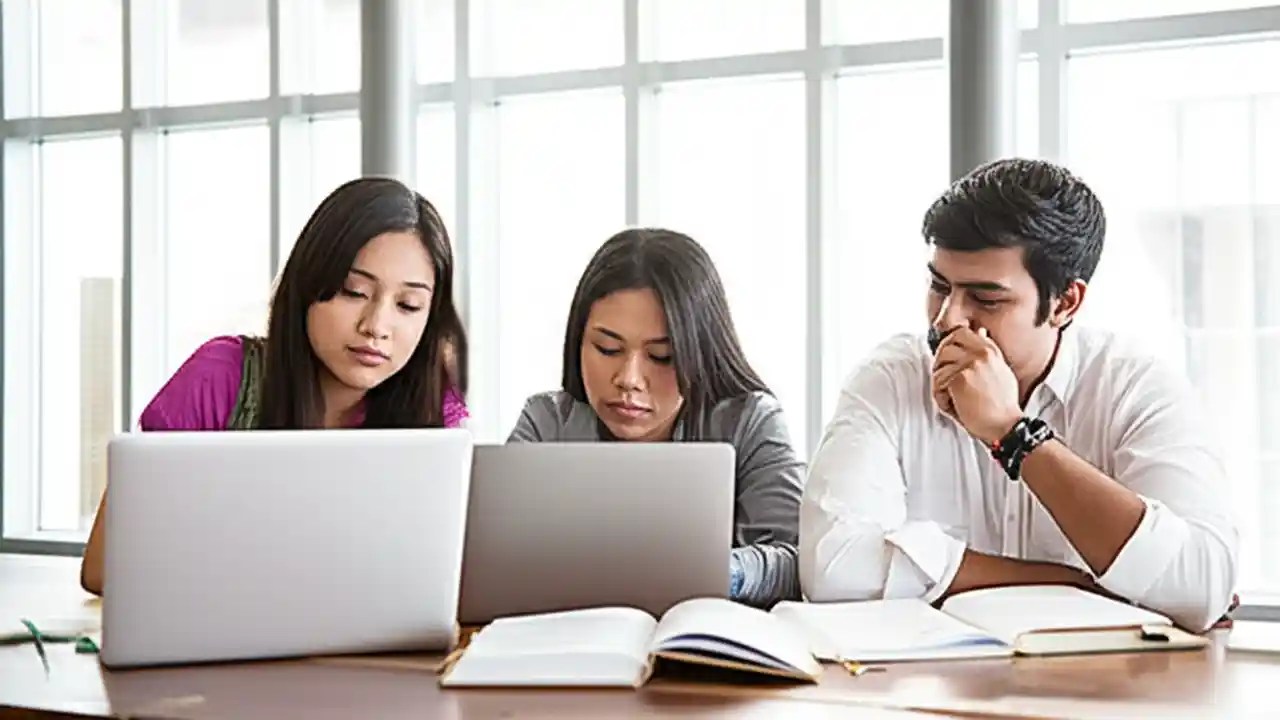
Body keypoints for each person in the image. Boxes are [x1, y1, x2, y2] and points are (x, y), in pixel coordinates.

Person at [800, 158, 1237, 631]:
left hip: (1100, 697)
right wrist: (1070, 582)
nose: (947, 319)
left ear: (1065, 303)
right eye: (939, 285)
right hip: (935, 694)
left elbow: (1204, 586)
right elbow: (833, 569)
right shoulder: (890, 378)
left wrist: (1014, 434)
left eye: (986, 299)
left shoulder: (1137, 387)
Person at [80, 177, 470, 595]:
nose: (376, 326)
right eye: (353, 292)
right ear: (306, 285)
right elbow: (104, 568)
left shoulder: (437, 413)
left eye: (408, 305)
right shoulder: (222, 376)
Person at [509, 228, 804, 608]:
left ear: (700, 351)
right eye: (608, 348)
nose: (629, 379)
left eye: (662, 356)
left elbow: (795, 561)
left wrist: (710, 573)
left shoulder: (749, 422)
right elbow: (497, 556)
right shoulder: (546, 424)